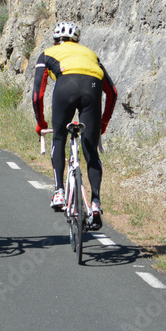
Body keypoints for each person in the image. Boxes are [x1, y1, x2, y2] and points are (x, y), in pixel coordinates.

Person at [32, 21, 118, 231]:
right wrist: (102, 124)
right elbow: (113, 92)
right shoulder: (91, 54)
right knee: (91, 152)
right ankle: (96, 204)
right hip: (92, 88)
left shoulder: (48, 53)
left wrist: (41, 123)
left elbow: (38, 94)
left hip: (66, 88)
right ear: (77, 40)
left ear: (55, 39)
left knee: (59, 138)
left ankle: (60, 191)